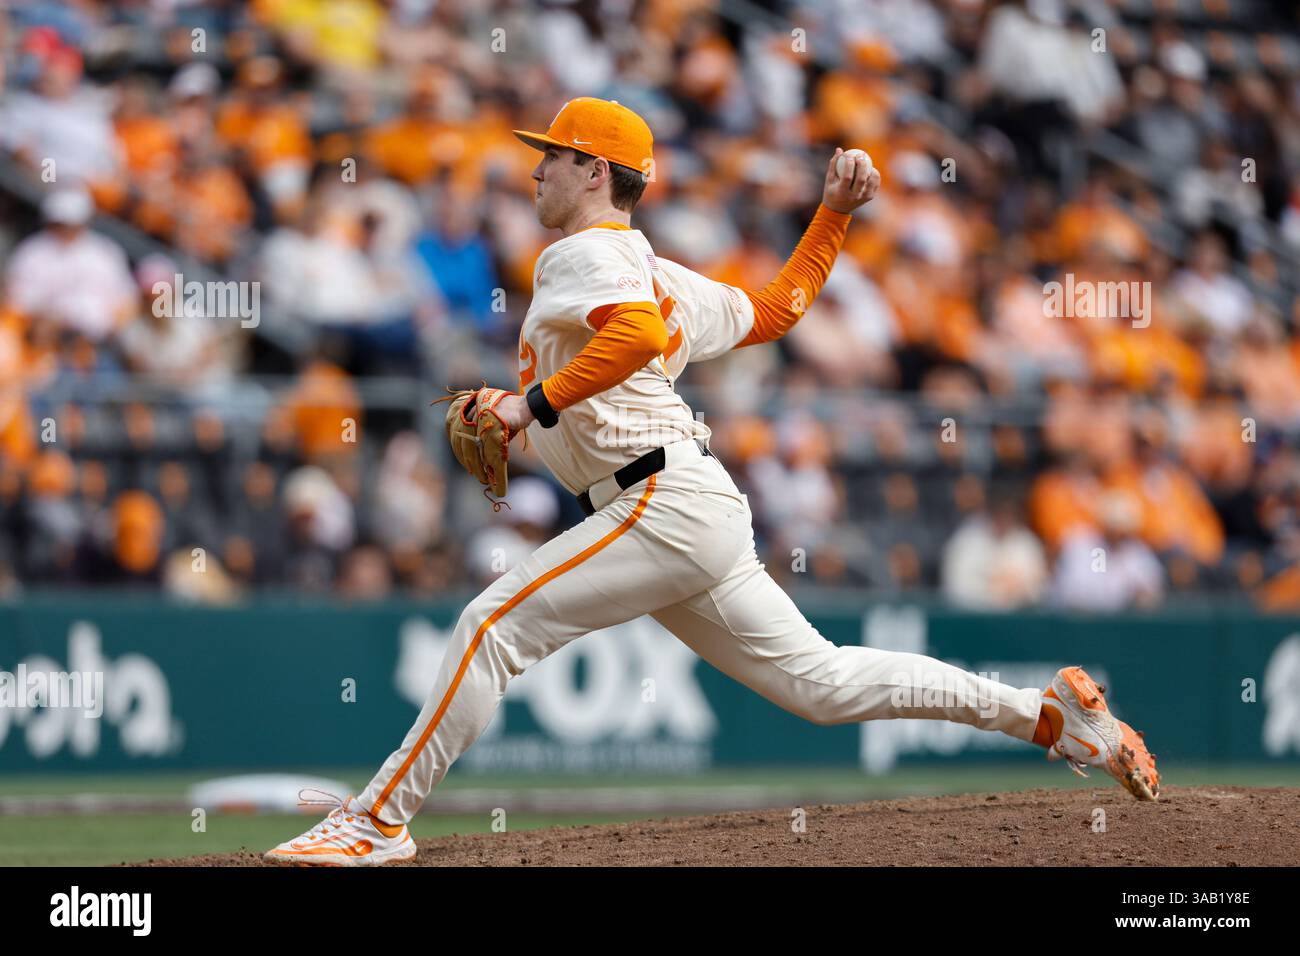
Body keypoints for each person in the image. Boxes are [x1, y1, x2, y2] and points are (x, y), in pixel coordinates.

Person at [266, 98, 1158, 865]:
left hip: (658, 501)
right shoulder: (655, 270)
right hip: (687, 502)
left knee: (489, 625)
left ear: (593, 171)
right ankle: (1047, 717)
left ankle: (379, 821)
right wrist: (834, 216)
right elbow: (776, 311)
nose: (535, 173)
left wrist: (527, 406)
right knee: (823, 684)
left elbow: (638, 343)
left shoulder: (578, 255)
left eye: (549, 158)